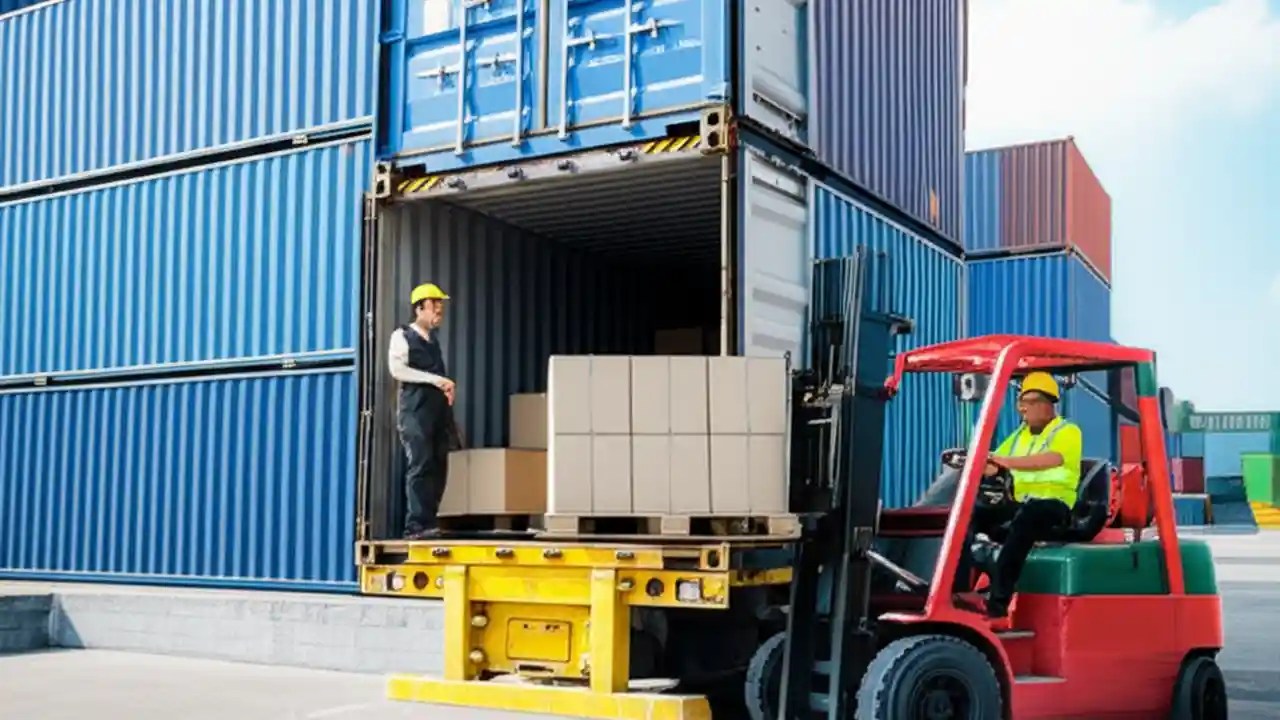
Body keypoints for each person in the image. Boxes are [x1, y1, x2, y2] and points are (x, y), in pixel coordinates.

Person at [972, 371, 1082, 617]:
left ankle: (998, 602)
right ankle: (958, 590)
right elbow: (996, 462)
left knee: (1027, 517)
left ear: (1047, 404)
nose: (1023, 408)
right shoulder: (1019, 435)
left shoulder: (1067, 431)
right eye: (1021, 402)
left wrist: (1003, 461)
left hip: (1055, 508)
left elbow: (1049, 459)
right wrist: (982, 463)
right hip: (1020, 504)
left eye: (1030, 402)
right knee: (972, 514)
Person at [388, 282, 456, 539]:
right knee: (421, 465)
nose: (439, 309)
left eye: (440, 304)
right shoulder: (402, 336)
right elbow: (398, 371)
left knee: (439, 466)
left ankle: (429, 523)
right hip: (415, 415)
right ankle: (415, 526)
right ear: (419, 308)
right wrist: (435, 380)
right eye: (435, 304)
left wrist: (445, 389)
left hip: (436, 415)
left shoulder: (433, 340)